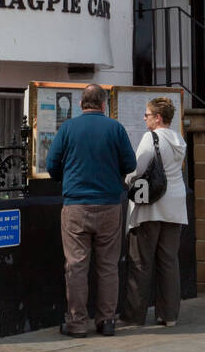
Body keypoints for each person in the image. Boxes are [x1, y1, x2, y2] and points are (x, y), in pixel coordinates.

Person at [45, 84, 136, 337]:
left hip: (76, 205)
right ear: (103, 105)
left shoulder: (68, 128)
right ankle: (107, 322)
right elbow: (130, 164)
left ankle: (76, 324)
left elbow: (52, 166)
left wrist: (70, 176)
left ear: (80, 104)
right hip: (109, 205)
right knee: (108, 266)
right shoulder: (115, 128)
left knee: (76, 266)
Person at [120, 97, 188, 328]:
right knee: (169, 261)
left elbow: (136, 171)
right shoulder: (179, 138)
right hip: (175, 205)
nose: (144, 118)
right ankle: (169, 315)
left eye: (147, 115)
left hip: (151, 206)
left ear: (158, 118)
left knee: (141, 262)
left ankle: (133, 316)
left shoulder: (152, 137)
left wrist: (125, 178)